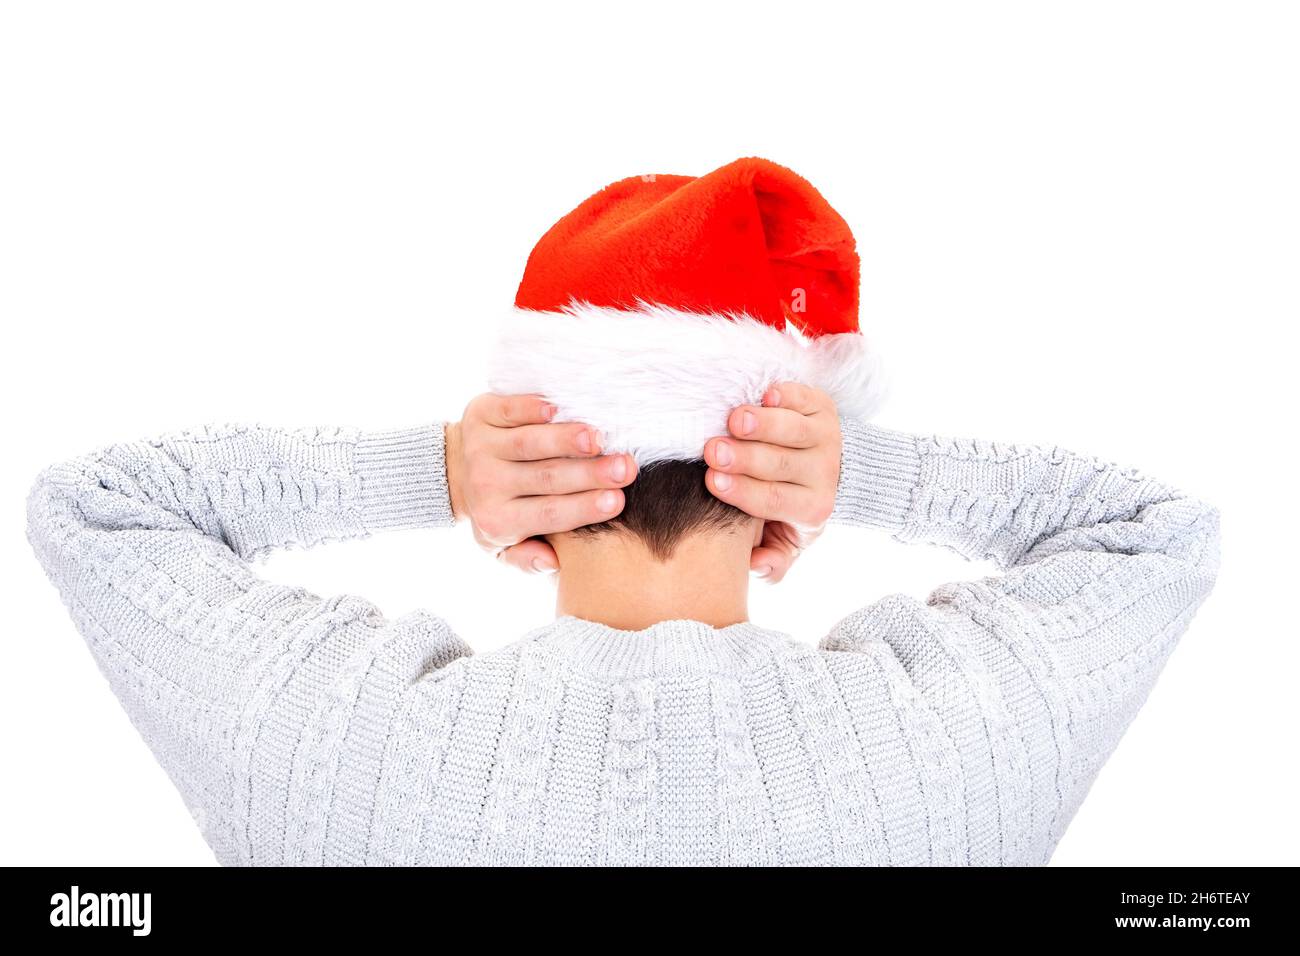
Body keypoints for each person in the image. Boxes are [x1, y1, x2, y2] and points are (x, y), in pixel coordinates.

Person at [26, 159, 1220, 866]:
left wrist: (435, 470)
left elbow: (95, 509)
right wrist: (867, 472)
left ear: (529, 499)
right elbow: (1156, 532)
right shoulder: (947, 752)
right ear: (773, 507)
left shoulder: (340, 749)